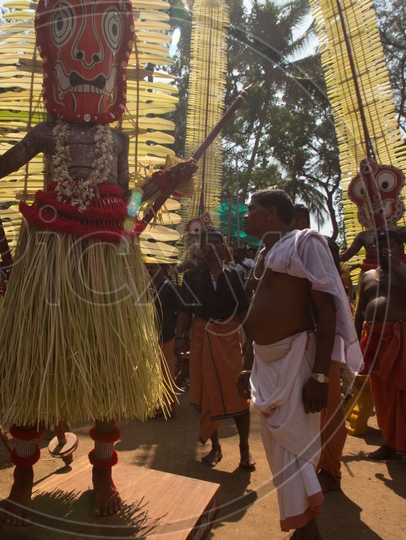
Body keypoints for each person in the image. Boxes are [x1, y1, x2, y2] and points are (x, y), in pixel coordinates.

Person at [0, 0, 197, 523]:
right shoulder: (46, 132)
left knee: (108, 360)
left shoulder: (115, 139)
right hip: (48, 251)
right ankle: (23, 479)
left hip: (105, 252)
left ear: (116, 76)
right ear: (53, 68)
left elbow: (128, 198)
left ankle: (103, 472)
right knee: (34, 360)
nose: (87, 72)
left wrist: (160, 185)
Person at [238, 189, 361, 539]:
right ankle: (306, 528)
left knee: (294, 447)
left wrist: (321, 376)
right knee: (280, 451)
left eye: (252, 209)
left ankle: (308, 531)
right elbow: (254, 312)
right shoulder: (266, 251)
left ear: (272, 213)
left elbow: (328, 308)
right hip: (266, 362)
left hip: (296, 360)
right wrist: (246, 366)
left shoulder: (307, 242)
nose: (245, 215)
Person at [355, 230, 406, 478]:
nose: (382, 251)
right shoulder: (367, 276)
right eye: (378, 248)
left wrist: (397, 270)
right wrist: (356, 346)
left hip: (403, 338)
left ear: (400, 249)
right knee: (384, 397)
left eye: (389, 246)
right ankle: (391, 444)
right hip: (374, 340)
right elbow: (360, 312)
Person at [174, 227, 253, 469]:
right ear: (201, 247)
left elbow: (243, 312)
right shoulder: (193, 276)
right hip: (201, 338)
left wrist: (252, 341)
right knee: (208, 391)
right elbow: (186, 310)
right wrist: (179, 338)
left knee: (239, 390)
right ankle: (216, 447)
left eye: (219, 242)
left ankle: (244, 449)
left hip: (229, 340)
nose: (214, 246)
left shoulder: (235, 275)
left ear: (223, 246)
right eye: (209, 242)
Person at [290, 204, 350, 493]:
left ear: (300, 220)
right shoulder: (288, 247)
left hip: (322, 337)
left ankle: (329, 468)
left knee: (328, 404)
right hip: (300, 339)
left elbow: (325, 298)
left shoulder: (318, 244)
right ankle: (311, 468)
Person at [147, 262, 182, 418]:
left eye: (152, 267)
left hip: (167, 334)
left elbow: (181, 310)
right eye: (147, 267)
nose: (149, 270)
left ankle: (168, 406)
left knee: (166, 372)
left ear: (162, 269)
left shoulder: (171, 287)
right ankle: (153, 404)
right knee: (152, 372)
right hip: (149, 334)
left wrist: (180, 333)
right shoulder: (145, 287)